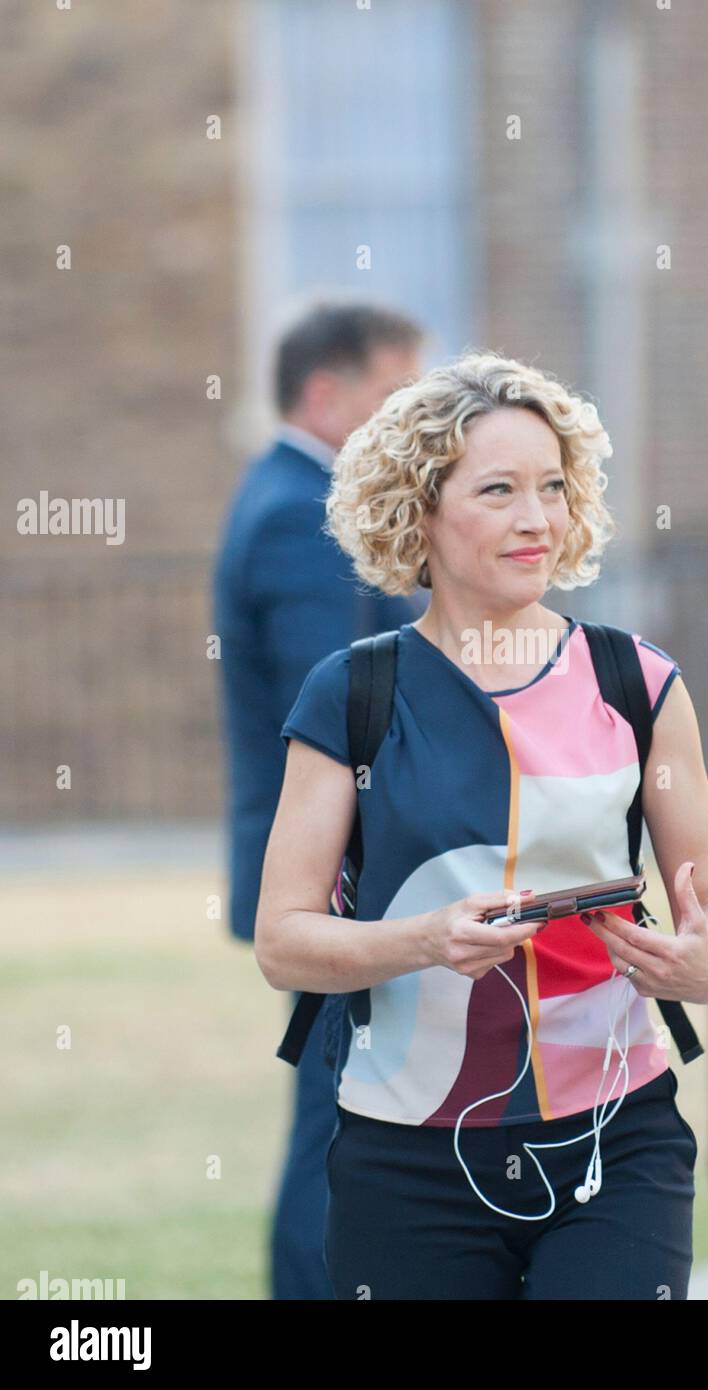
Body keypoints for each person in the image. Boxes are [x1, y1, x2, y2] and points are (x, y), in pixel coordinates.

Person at [254, 350, 708, 1300]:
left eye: (553, 487)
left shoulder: (637, 681)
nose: (538, 519)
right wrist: (424, 941)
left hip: (616, 1134)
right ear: (420, 510)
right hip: (406, 1157)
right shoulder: (352, 695)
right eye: (498, 490)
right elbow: (283, 942)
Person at [212, 298, 426, 1299]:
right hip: (333, 872)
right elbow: (334, 703)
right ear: (326, 392)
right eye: (394, 392)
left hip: (342, 866)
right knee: (335, 1117)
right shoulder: (303, 511)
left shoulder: (297, 496)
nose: (413, 417)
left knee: (346, 1106)